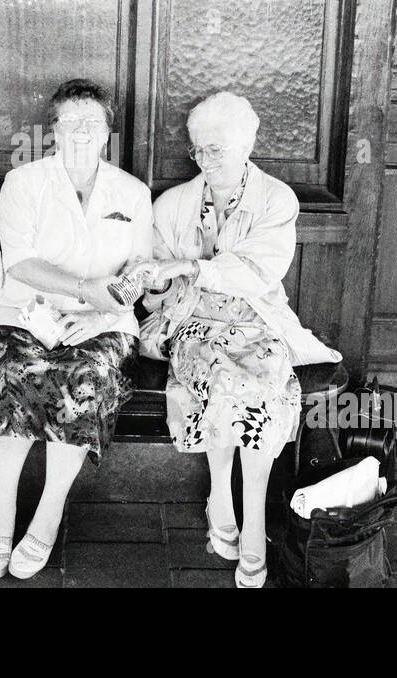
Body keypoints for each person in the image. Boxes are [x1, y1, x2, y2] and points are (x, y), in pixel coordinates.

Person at [0, 79, 153, 580]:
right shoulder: (24, 184)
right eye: (70, 123)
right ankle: (2, 509)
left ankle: (48, 510)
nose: (81, 132)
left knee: (83, 379)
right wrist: (83, 289)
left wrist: (100, 309)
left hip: (103, 322)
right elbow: (20, 263)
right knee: (16, 372)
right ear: (54, 131)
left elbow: (141, 272)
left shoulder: (132, 192)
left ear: (107, 132)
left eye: (92, 123)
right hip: (26, 312)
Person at [140, 91, 340, 587]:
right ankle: (221, 499)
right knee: (221, 378)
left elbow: (257, 271)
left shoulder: (277, 200)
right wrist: (158, 281)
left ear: (247, 144)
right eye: (199, 150)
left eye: (218, 149)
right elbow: (157, 293)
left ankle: (250, 519)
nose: (206, 160)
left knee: (265, 386)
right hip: (194, 321)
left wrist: (189, 265)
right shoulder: (173, 205)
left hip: (257, 321)